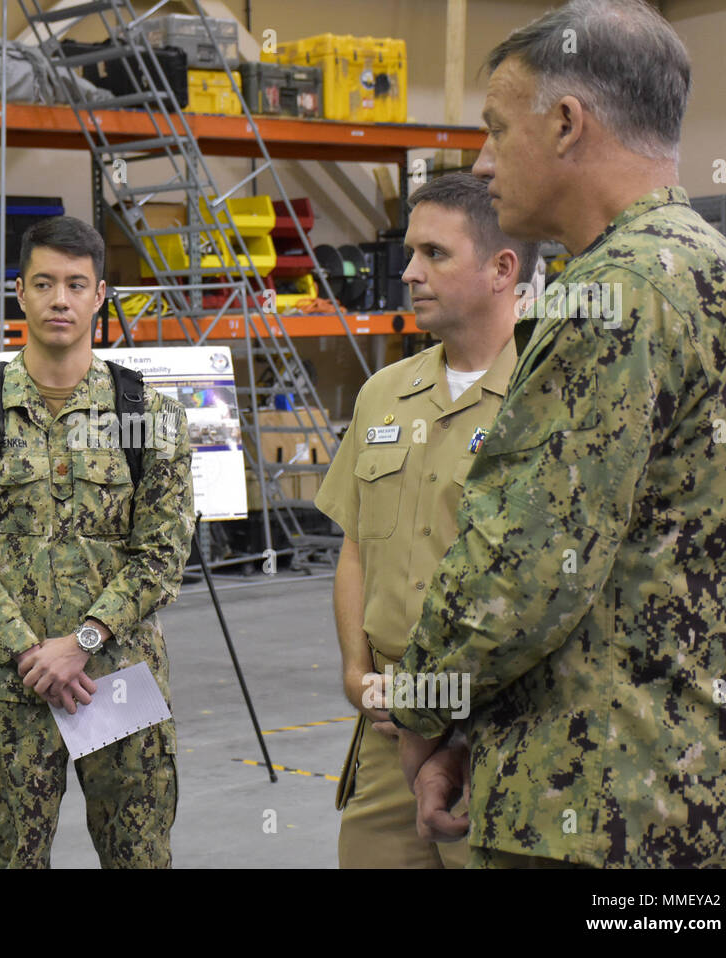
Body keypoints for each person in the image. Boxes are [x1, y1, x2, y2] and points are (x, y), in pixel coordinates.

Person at [392, 0, 726, 868]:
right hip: (701, 793)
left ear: (565, 123)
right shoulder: (717, 272)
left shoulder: (610, 295)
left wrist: (420, 707)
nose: (482, 164)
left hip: (596, 807)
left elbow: (521, 568)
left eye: (495, 130)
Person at [0, 215, 194, 868]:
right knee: (14, 860)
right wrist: (28, 651)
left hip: (116, 683)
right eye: (44, 283)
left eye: (76, 284)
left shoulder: (145, 417)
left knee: (139, 858)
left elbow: (163, 552)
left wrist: (83, 642)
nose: (60, 300)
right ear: (19, 291)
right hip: (12, 691)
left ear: (100, 294)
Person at [316, 174, 538, 868]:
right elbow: (355, 550)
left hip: (500, 737)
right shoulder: (386, 393)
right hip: (387, 736)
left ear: (503, 269)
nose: (408, 272)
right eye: (412, 252)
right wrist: (357, 674)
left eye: (434, 254)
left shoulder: (546, 399)